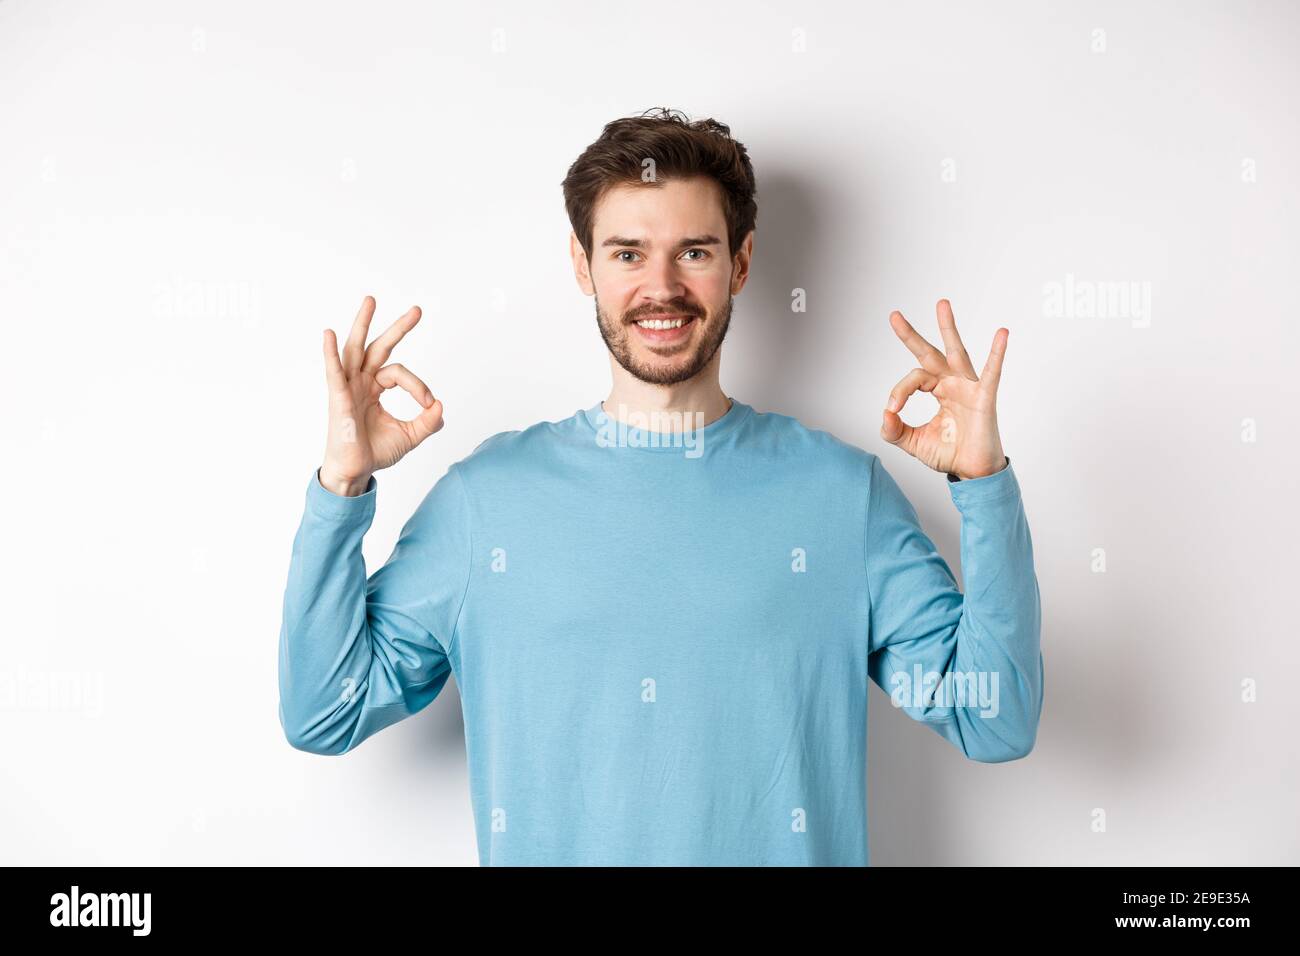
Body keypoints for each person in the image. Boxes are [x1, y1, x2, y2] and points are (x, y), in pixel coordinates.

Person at [277, 107, 1044, 866]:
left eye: (695, 252)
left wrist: (982, 485)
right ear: (583, 266)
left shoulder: (843, 495)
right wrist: (341, 489)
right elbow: (322, 712)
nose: (662, 287)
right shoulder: (485, 502)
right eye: (627, 253)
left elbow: (997, 720)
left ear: (741, 263)